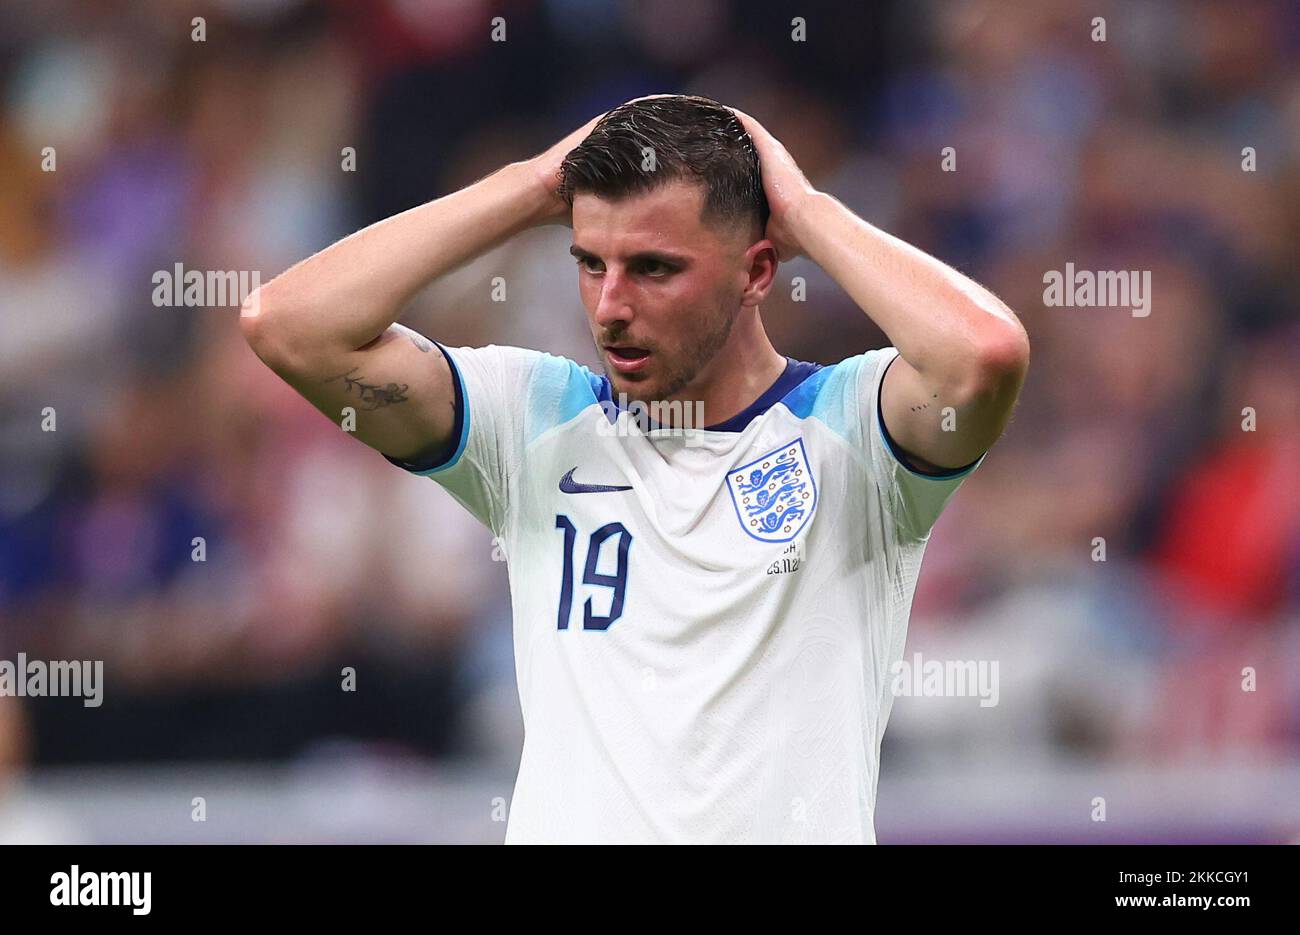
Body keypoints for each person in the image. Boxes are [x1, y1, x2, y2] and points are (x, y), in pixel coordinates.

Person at [240, 94, 1029, 843]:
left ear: (758, 271)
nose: (610, 305)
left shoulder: (853, 429)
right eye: (590, 262)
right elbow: (288, 325)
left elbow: (983, 355)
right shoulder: (534, 422)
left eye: (653, 268)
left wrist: (808, 213)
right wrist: (532, 184)